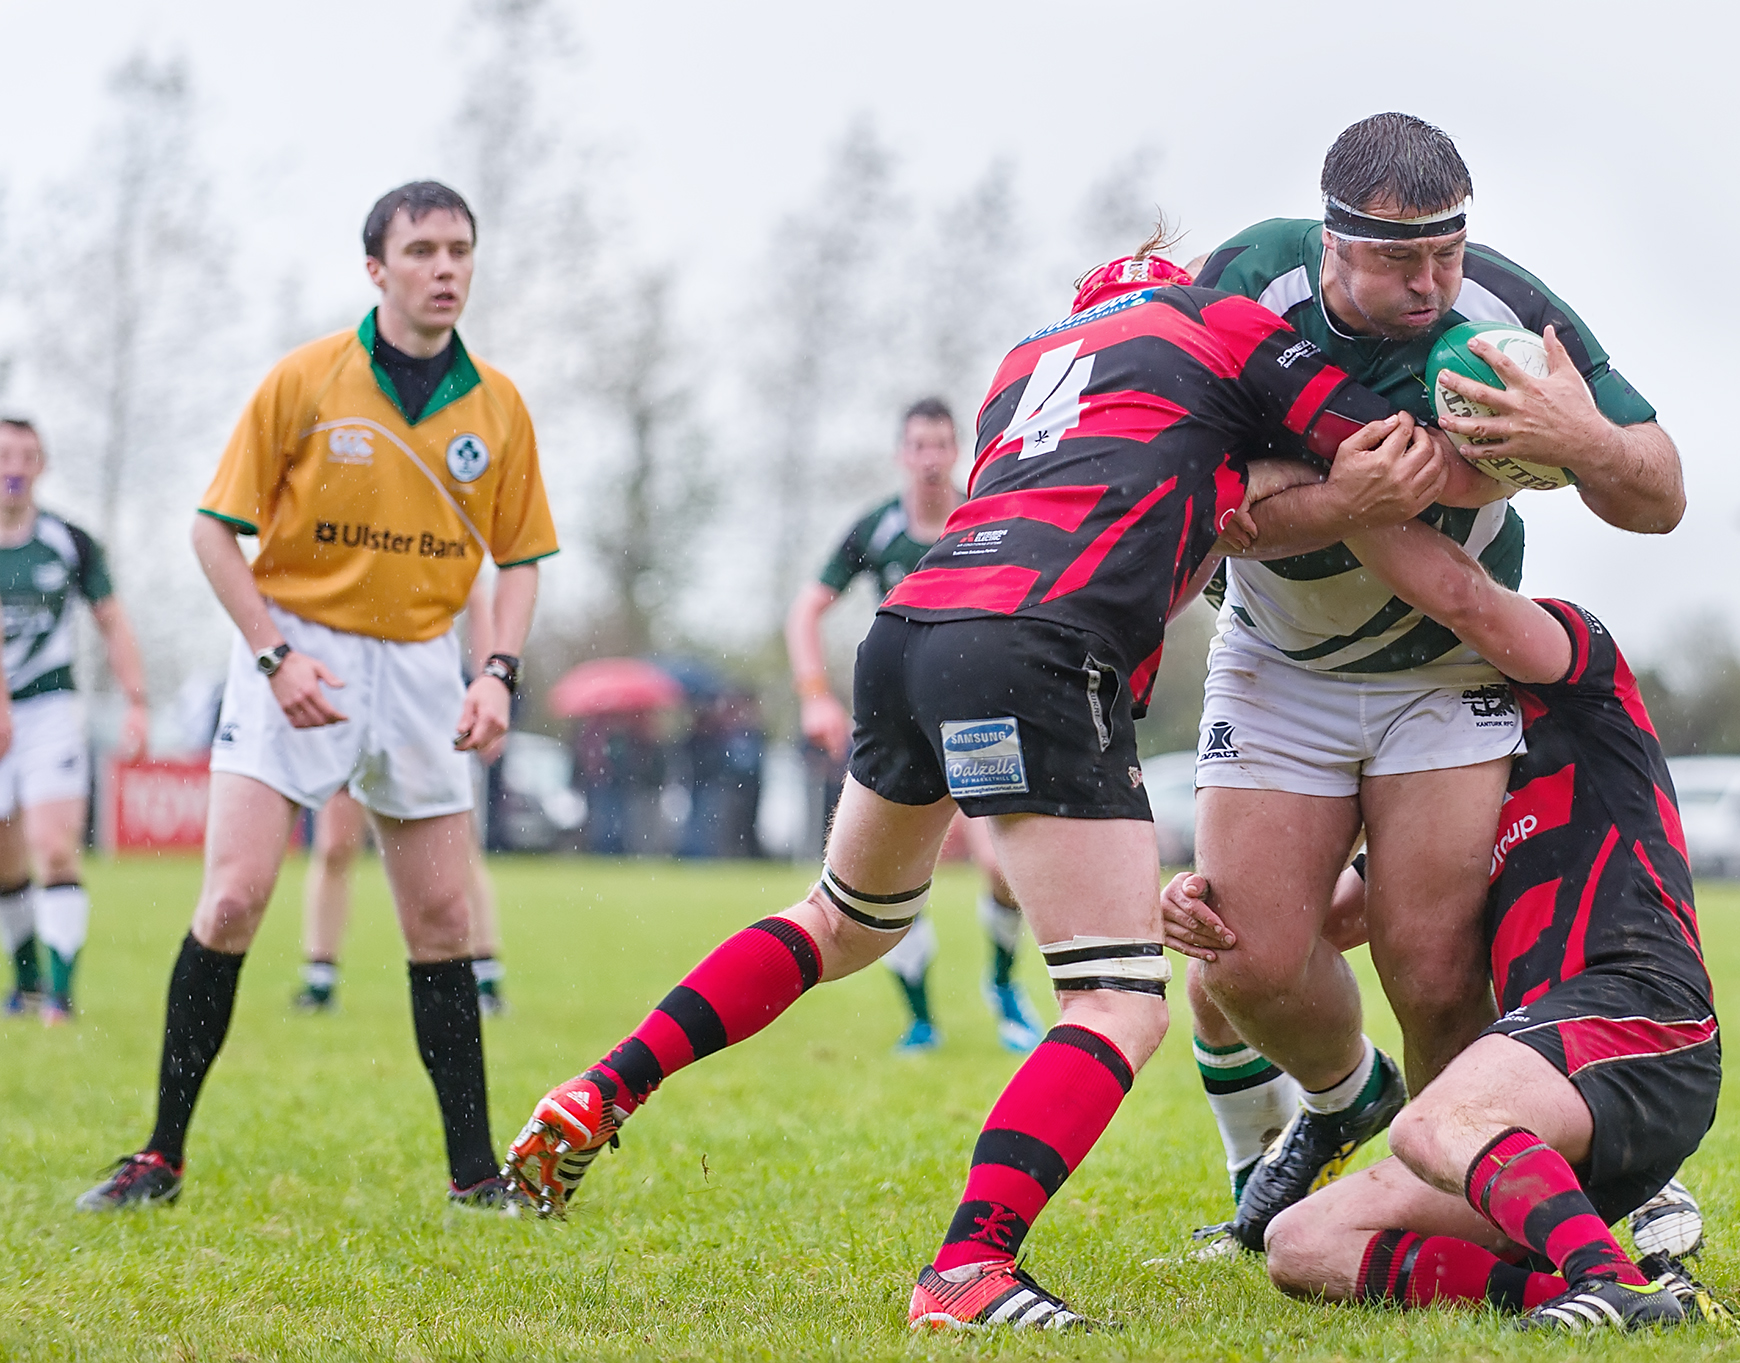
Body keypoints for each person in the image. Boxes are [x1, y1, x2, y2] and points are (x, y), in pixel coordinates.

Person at [502, 240, 1489, 1328]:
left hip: (909, 634)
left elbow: (1122, 486)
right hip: (1036, 645)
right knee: (1115, 999)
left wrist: (1233, 488)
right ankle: (968, 1266)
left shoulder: (1024, 363)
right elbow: (1385, 449)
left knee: (842, 919)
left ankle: (602, 1088)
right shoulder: (1214, 321)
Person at [1179, 112, 1687, 1242]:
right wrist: (1351, 502)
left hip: (1445, 668)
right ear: (1329, 242)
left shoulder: (1503, 306)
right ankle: (1345, 1095)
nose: (1430, 285)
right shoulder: (1243, 287)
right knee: (1249, 965)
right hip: (1277, 661)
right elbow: (1199, 497)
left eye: (1445, 254)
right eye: (1398, 259)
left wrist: (1584, 439)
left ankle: (1490, 1203)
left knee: (1435, 966)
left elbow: (1658, 493)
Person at [75, 180, 556, 1212]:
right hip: (303, 655)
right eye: (422, 249)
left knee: (442, 918)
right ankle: (159, 1155)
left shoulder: (498, 404)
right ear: (376, 269)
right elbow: (214, 530)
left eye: (460, 249)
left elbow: (517, 561)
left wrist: (495, 671)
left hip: (426, 660)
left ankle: (476, 1176)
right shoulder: (304, 380)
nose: (445, 268)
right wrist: (272, 653)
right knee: (235, 896)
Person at [1165, 514, 1724, 1332]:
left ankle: (1606, 1279)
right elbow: (1332, 917)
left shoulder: (1582, 676)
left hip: (1637, 1019)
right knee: (1302, 1242)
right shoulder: (1442, 785)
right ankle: (1589, 1289)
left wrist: (1345, 499)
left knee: (1435, 1118)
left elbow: (1465, 599)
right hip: (1538, 1071)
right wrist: (1209, 902)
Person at [783, 397, 1041, 1053]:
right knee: (890, 877)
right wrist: (815, 694)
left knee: (1004, 869)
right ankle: (922, 1017)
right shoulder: (876, 528)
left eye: (940, 446)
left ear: (957, 451)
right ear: (903, 453)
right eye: (918, 446)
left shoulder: (983, 511)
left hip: (980, 718)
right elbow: (805, 611)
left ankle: (1004, 986)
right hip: (901, 722)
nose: (929, 458)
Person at [295, 574, 510, 1015]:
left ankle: (484, 975)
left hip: (421, 708)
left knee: (456, 851)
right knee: (335, 845)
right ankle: (320, 980)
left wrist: (492, 681)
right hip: (347, 703)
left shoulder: (440, 518)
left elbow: (475, 594)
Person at [0, 418, 149, 1024]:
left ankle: (61, 997)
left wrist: (137, 702)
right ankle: (29, 981)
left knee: (54, 847)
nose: (15, 465)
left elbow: (112, 622)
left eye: (28, 455)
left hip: (50, 709)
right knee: (7, 864)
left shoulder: (69, 541)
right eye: (5, 453)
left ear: (43, 466)